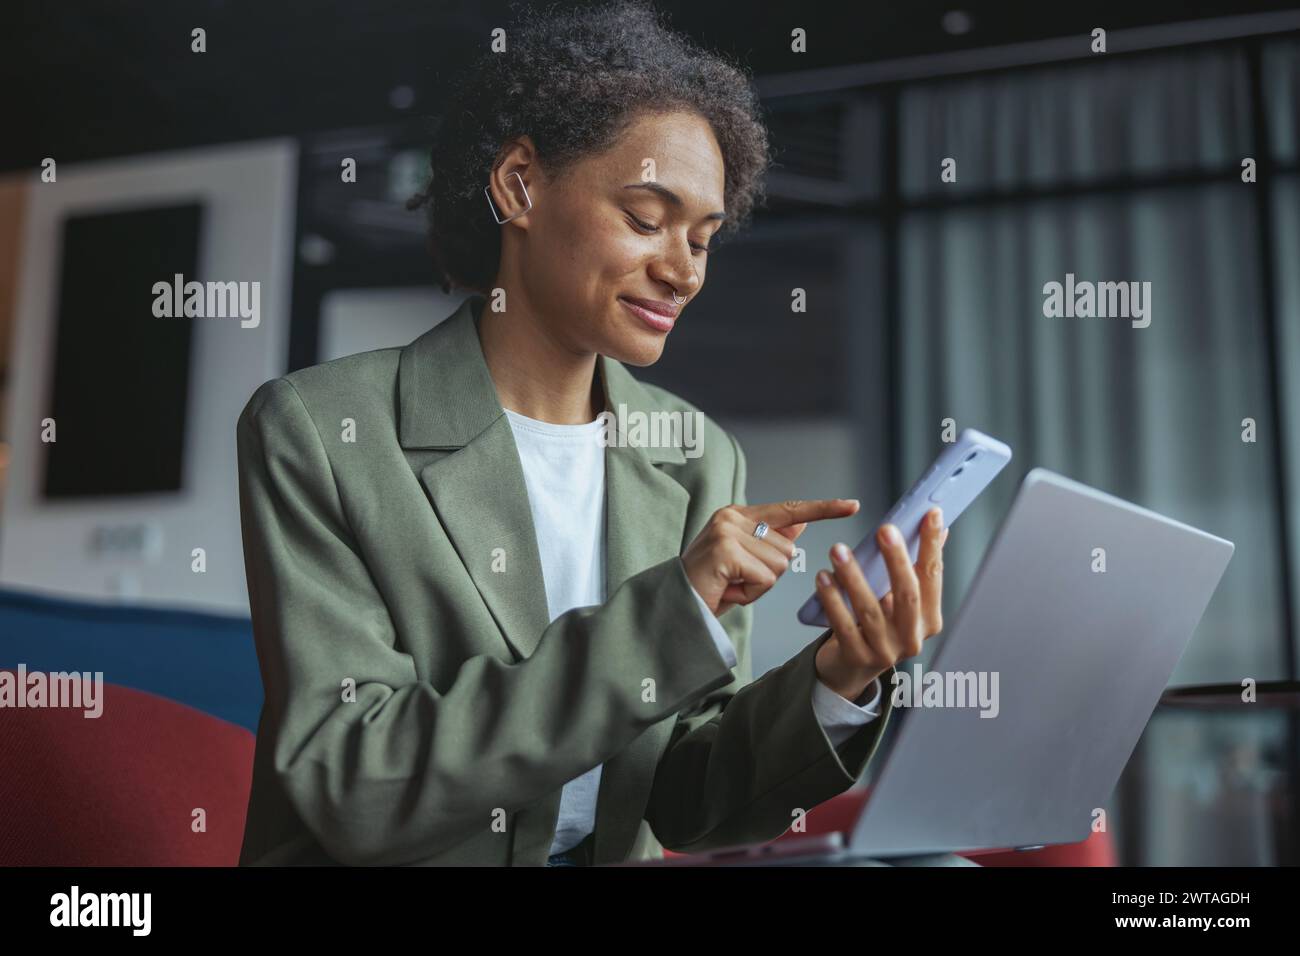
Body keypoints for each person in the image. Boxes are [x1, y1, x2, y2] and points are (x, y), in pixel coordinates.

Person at [235, 0, 969, 867]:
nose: (683, 270)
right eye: (647, 218)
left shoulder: (698, 456)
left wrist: (838, 679)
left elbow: (687, 801)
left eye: (704, 238)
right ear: (520, 185)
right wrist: (671, 611)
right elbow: (358, 787)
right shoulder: (324, 430)